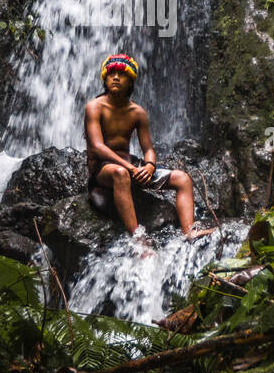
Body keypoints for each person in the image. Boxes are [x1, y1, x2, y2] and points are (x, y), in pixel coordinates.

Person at [83, 53, 214, 242]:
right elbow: (97, 147)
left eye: (122, 74)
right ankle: (138, 238)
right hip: (104, 169)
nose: (116, 77)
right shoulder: (94, 107)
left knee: (183, 178)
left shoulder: (137, 113)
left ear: (131, 81)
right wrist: (130, 168)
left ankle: (189, 231)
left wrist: (150, 166)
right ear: (105, 78)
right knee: (120, 173)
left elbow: (148, 148)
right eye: (111, 74)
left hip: (132, 167)